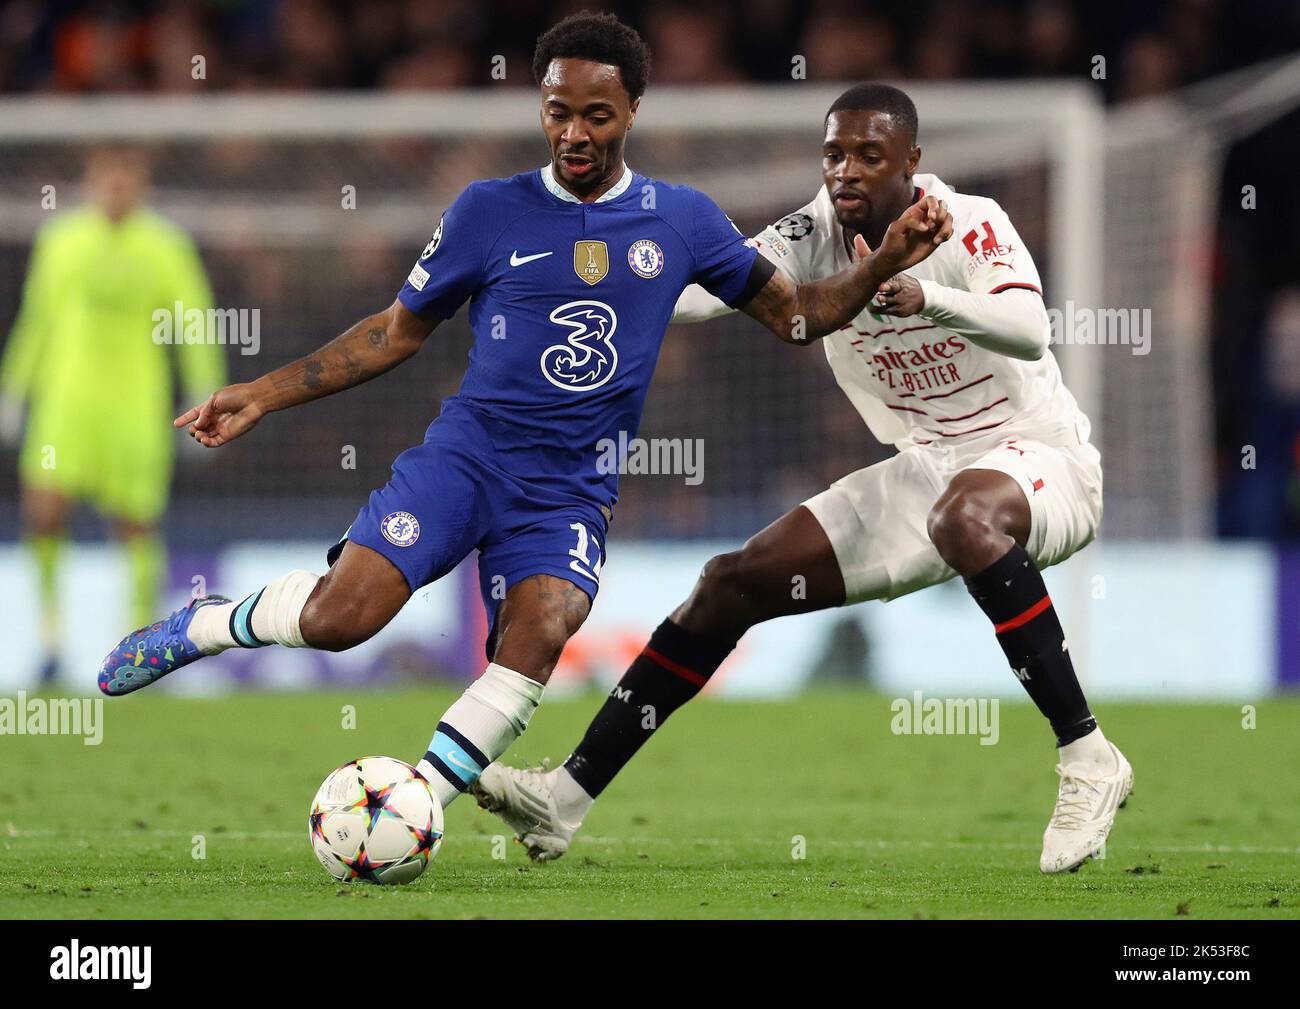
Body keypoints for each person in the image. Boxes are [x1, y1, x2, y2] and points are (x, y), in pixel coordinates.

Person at [96, 18, 952, 838]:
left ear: (634, 111)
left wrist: (881, 260)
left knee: (542, 628)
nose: (573, 133)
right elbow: (395, 332)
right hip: (467, 457)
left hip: (569, 488)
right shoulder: (487, 210)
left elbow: (797, 316)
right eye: (557, 112)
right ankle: (202, 623)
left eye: (596, 114)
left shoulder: (683, 218)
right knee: (338, 622)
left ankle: (413, 807)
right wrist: (264, 392)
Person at [473, 83, 1130, 875]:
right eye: (833, 154)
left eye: (868, 156)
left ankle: (1089, 757)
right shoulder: (812, 230)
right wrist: (596, 284)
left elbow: (1031, 331)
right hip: (927, 468)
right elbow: (700, 298)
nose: (845, 171)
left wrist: (930, 296)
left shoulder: (970, 221)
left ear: (911, 163)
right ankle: (563, 800)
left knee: (964, 519)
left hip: (1038, 455)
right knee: (730, 583)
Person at [1, 147, 223, 686]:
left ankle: (139, 646)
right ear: (92, 181)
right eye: (108, 177)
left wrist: (206, 394)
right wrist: (13, 390)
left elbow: (195, 323)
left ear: (141, 185)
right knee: (45, 510)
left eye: (128, 178)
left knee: (135, 523)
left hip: (134, 406)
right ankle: (52, 640)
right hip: (66, 401)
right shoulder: (62, 240)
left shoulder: (165, 245)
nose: (118, 188)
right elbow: (38, 318)